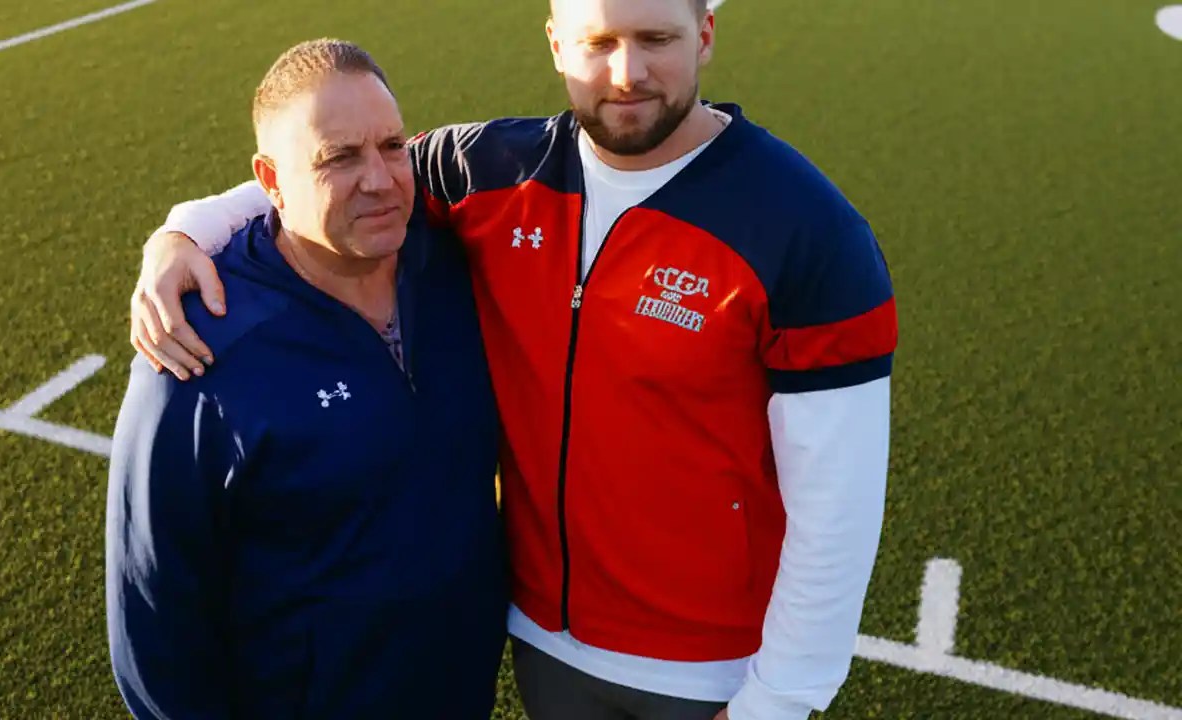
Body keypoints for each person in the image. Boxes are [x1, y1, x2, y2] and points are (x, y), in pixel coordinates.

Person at [130, 1, 899, 718]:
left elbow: (841, 505)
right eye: (599, 42)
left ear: (704, 35)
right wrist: (185, 232)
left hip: (711, 672)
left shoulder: (808, 229)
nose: (626, 72)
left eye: (655, 39)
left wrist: (780, 698)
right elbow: (331, 177)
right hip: (543, 647)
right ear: (558, 45)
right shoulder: (490, 169)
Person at [105, 39, 506, 719]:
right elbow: (153, 615)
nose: (379, 179)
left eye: (390, 145)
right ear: (270, 179)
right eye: (338, 158)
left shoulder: (457, 260)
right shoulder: (197, 347)